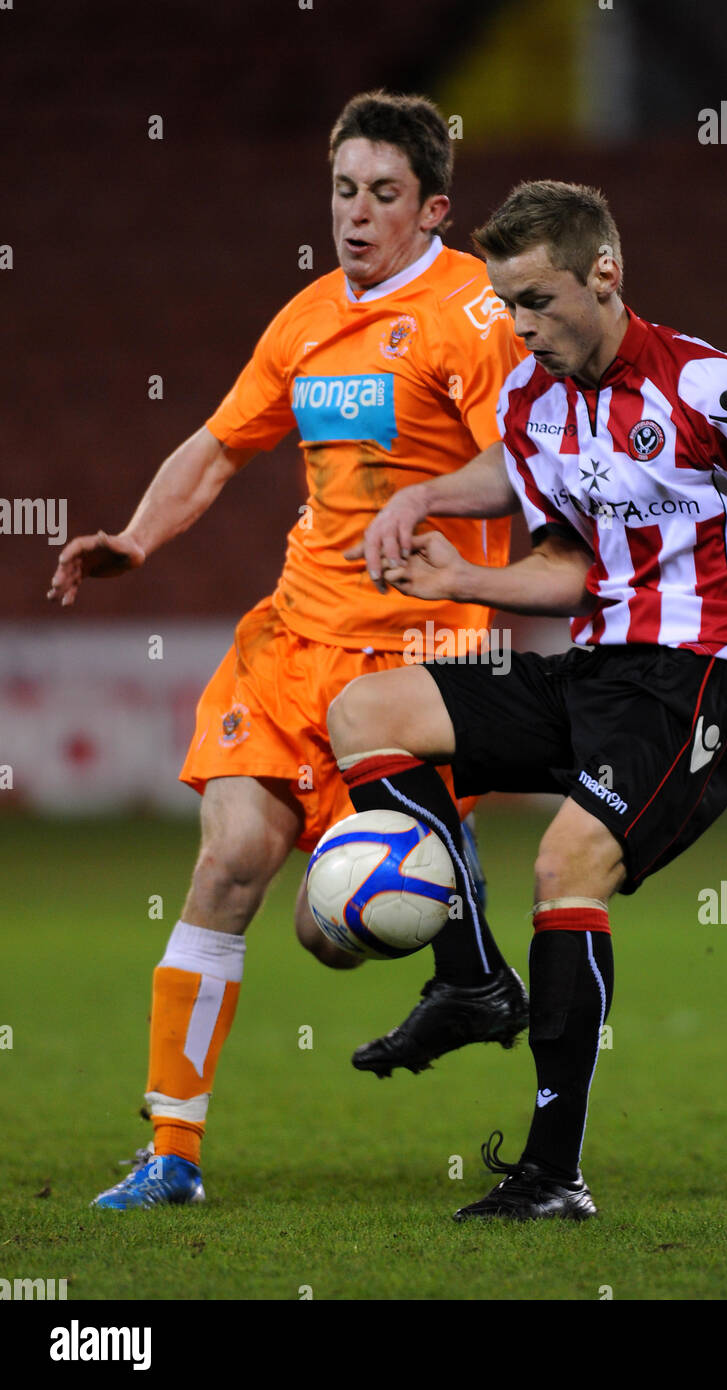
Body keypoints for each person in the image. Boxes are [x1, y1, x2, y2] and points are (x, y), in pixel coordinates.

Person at [326, 179, 727, 1221]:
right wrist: (463, 580)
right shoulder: (532, 401)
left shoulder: (706, 388)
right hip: (594, 667)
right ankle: (472, 975)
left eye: (536, 301)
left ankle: (551, 1175)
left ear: (605, 275)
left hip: (699, 681)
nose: (520, 327)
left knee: (566, 859)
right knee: (367, 715)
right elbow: (572, 566)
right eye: (507, 304)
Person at [47, 92, 530, 1209]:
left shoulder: (474, 315)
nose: (357, 215)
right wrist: (133, 536)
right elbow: (218, 448)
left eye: (384, 195)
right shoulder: (306, 319)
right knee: (223, 871)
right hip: (289, 641)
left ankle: (444, 906)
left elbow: (520, 462)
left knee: (331, 931)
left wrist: (434, 519)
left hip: (410, 674)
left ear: (434, 207)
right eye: (344, 190)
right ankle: (172, 1151)